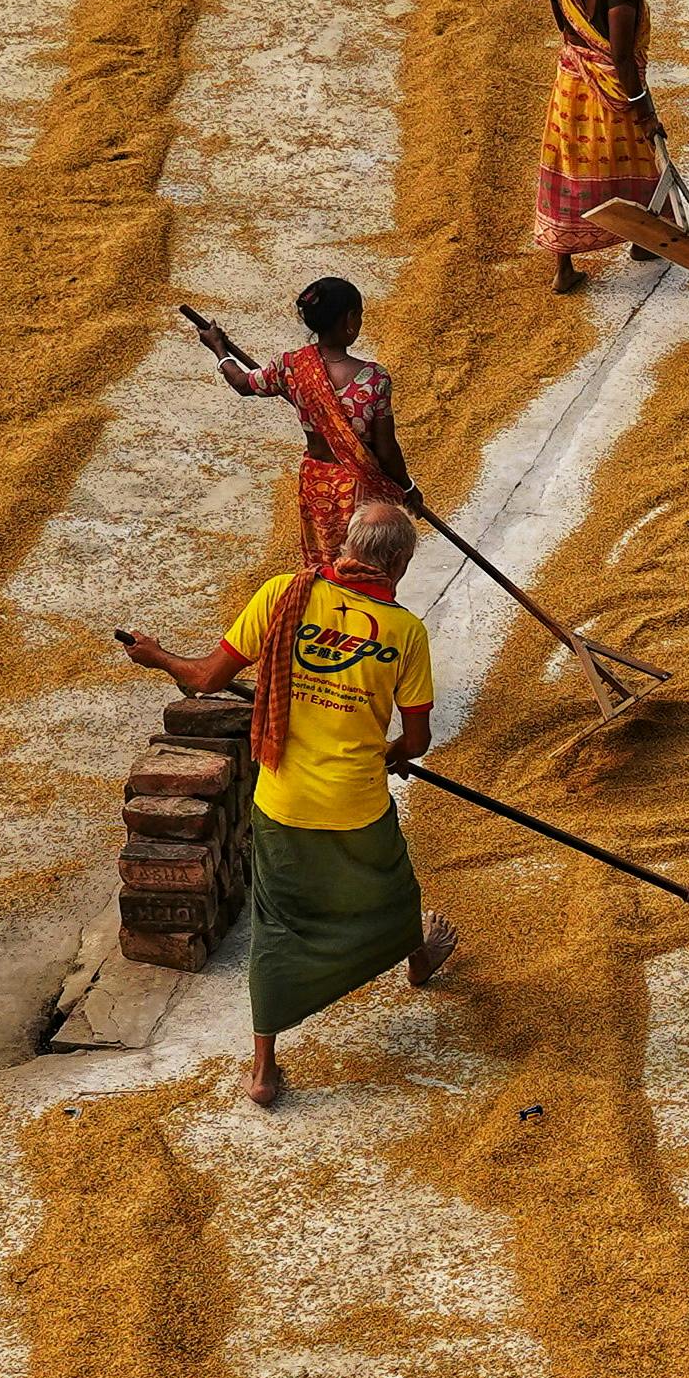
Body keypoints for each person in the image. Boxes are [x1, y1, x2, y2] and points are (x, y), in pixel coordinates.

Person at [112, 498, 457, 1108]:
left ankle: (264, 1068)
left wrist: (155, 654)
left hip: (283, 799)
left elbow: (204, 679)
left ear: (344, 546)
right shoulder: (405, 633)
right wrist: (389, 753)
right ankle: (416, 957)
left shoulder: (281, 595)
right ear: (400, 565)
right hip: (356, 802)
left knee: (278, 925)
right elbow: (417, 740)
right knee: (390, 892)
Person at [205, 277, 422, 576]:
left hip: (316, 483)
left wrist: (219, 349)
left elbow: (243, 383)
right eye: (359, 315)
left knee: (324, 564)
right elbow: (386, 450)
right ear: (349, 319)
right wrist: (407, 488)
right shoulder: (374, 379)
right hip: (356, 486)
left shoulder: (291, 366)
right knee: (362, 561)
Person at [528, 0, 661, 295]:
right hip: (612, 91)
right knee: (635, 158)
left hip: (571, 87)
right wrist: (644, 111)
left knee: (571, 166)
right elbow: (621, 57)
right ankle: (643, 240)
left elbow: (570, 32)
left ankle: (564, 267)